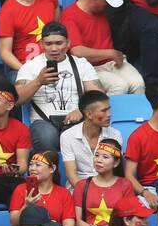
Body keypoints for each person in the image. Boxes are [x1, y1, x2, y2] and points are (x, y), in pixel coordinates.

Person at [15, 21, 101, 153]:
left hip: (77, 119)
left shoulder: (81, 64)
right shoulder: (30, 66)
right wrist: (38, 81)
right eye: (48, 44)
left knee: (82, 135)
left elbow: (99, 96)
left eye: (59, 43)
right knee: (47, 138)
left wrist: (82, 110)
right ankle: (52, 172)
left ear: (68, 43)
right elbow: (15, 99)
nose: (54, 49)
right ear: (42, 44)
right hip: (43, 121)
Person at [62, 0, 143, 95]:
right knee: (119, 86)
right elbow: (77, 51)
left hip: (111, 62)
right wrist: (110, 53)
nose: (108, 4)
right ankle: (109, 114)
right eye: (106, 0)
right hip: (89, 68)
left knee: (138, 83)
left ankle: (137, 114)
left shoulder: (101, 10)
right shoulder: (70, 15)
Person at [0, 0, 60, 74]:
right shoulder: (8, 11)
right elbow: (5, 52)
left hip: (55, 63)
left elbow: (57, 27)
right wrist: (27, 72)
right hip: (24, 68)